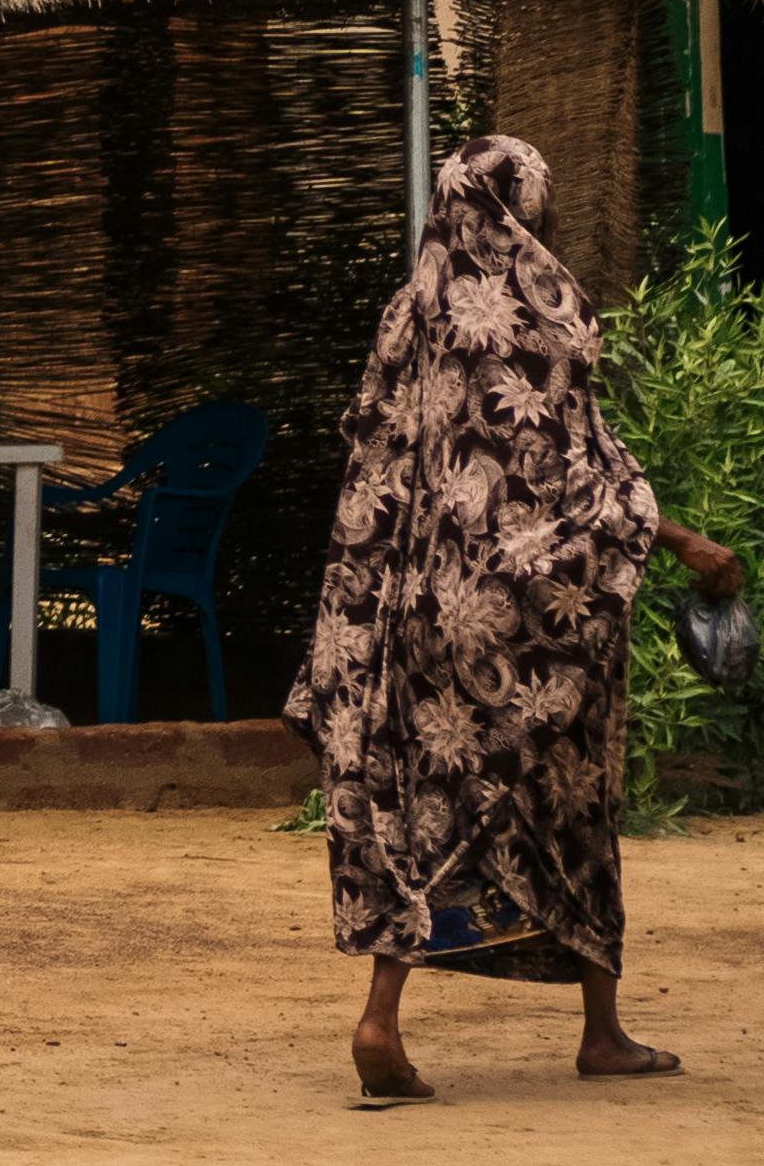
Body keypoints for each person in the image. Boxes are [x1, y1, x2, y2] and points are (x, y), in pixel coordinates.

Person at [297, 136, 742, 1106]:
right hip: (524, 616)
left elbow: (372, 463)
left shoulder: (409, 312)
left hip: (410, 612)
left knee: (428, 803)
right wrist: (682, 541)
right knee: (572, 796)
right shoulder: (541, 307)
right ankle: (602, 1033)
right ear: (520, 206)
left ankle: (382, 1017)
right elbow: (564, 471)